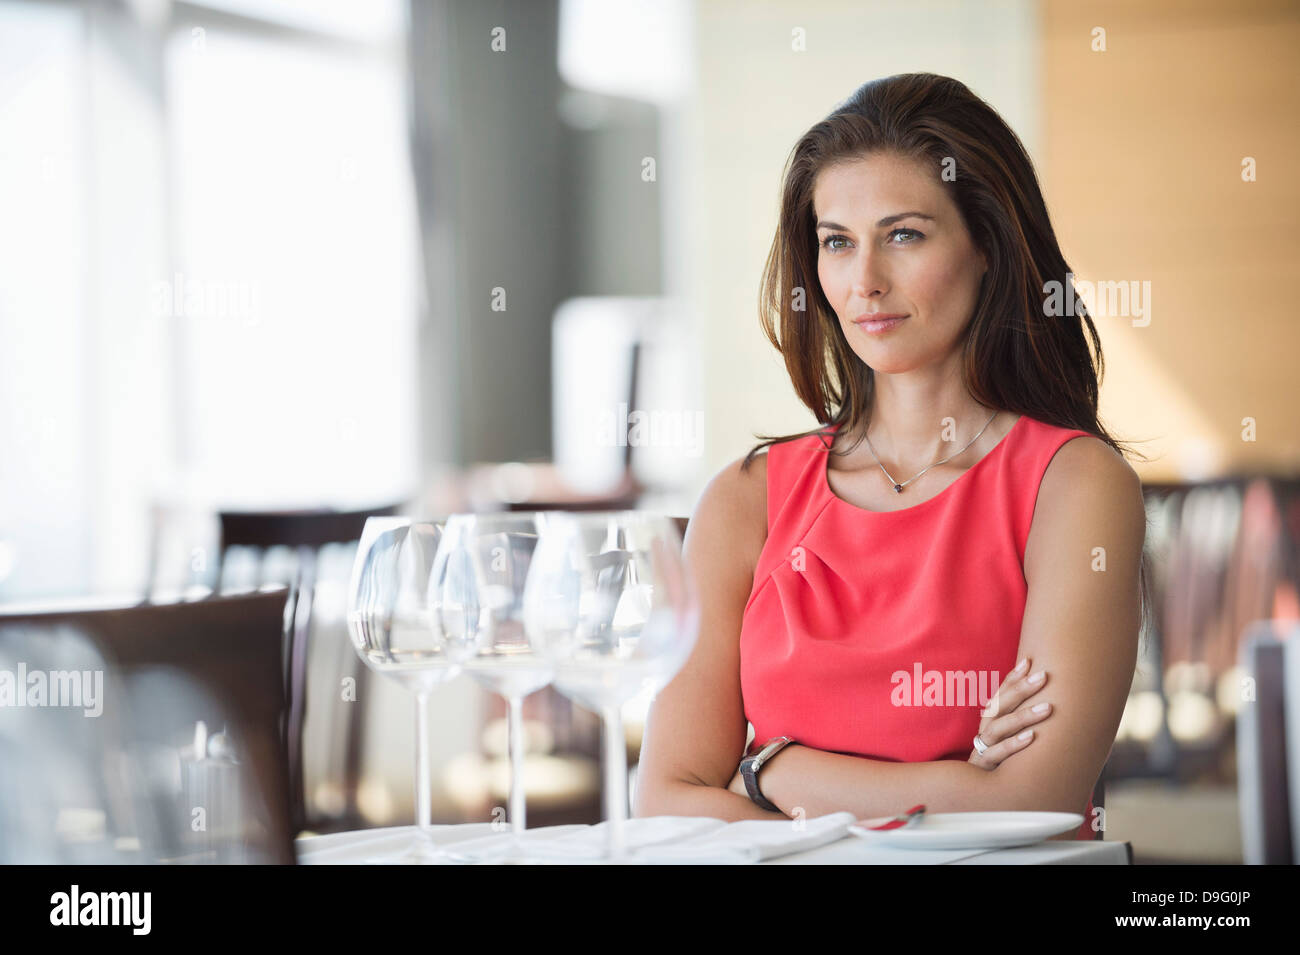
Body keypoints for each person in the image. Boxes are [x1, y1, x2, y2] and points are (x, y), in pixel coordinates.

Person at [633, 73, 1151, 842]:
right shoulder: (749, 499)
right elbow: (667, 798)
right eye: (837, 241)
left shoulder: (1075, 486)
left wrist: (769, 768)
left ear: (988, 246)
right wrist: (956, 785)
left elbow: (1034, 802)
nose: (864, 282)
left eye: (903, 234)